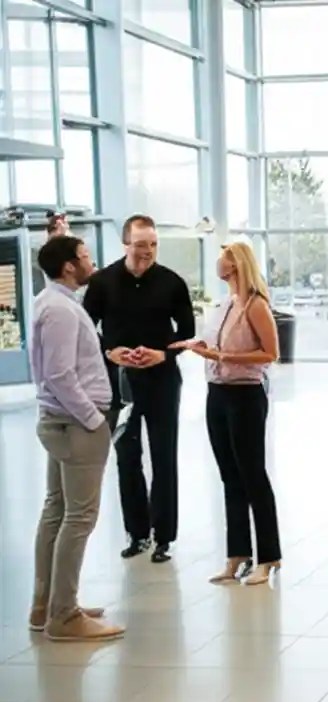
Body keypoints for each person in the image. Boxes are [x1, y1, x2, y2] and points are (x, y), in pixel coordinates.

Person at [29, 234, 126, 641]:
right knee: (79, 516)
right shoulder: (61, 310)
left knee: (57, 510)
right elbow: (59, 373)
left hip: (62, 421)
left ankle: (47, 604)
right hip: (76, 424)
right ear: (69, 266)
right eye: (85, 257)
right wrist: (93, 419)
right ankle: (64, 616)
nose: (92, 263)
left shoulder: (53, 302)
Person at [83, 215, 195, 563]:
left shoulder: (172, 283)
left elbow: (187, 330)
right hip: (119, 382)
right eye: (140, 245)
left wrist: (162, 352)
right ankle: (138, 533)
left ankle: (164, 538)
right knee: (127, 457)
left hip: (162, 378)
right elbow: (86, 328)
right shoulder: (102, 282)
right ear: (125, 243)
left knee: (164, 455)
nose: (147, 252)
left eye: (152, 245)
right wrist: (109, 351)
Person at [172, 242, 282, 586]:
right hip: (217, 394)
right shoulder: (224, 305)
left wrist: (225, 358)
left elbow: (271, 353)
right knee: (229, 476)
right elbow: (216, 349)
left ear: (234, 264)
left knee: (253, 475)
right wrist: (198, 348)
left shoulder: (255, 305)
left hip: (246, 396)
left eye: (223, 256)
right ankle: (237, 555)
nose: (218, 262)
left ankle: (269, 557)